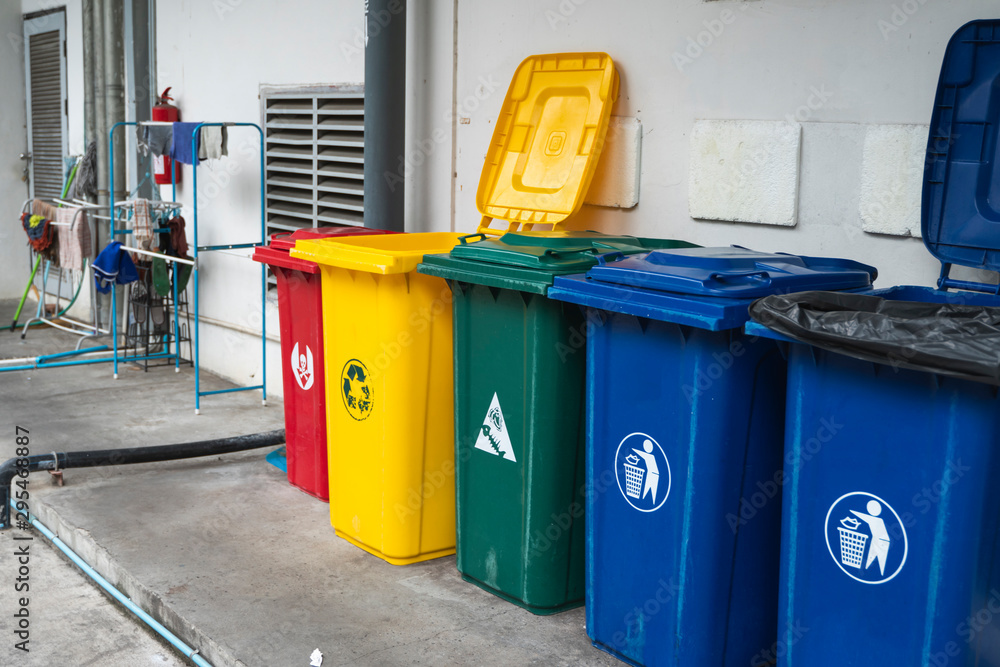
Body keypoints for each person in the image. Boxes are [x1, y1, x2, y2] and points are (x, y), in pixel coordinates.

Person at [852, 500, 890, 576]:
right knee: (870, 560)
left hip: (882, 541)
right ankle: (869, 571)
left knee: (880, 562)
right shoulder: (878, 520)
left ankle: (880, 574)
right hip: (878, 539)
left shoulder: (877, 520)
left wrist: (853, 512)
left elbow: (864, 517)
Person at [632, 439, 660, 503]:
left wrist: (634, 450)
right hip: (653, 473)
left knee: (651, 491)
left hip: (653, 474)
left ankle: (650, 502)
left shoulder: (650, 456)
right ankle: (647, 501)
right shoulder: (651, 456)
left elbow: (642, 454)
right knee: (647, 490)